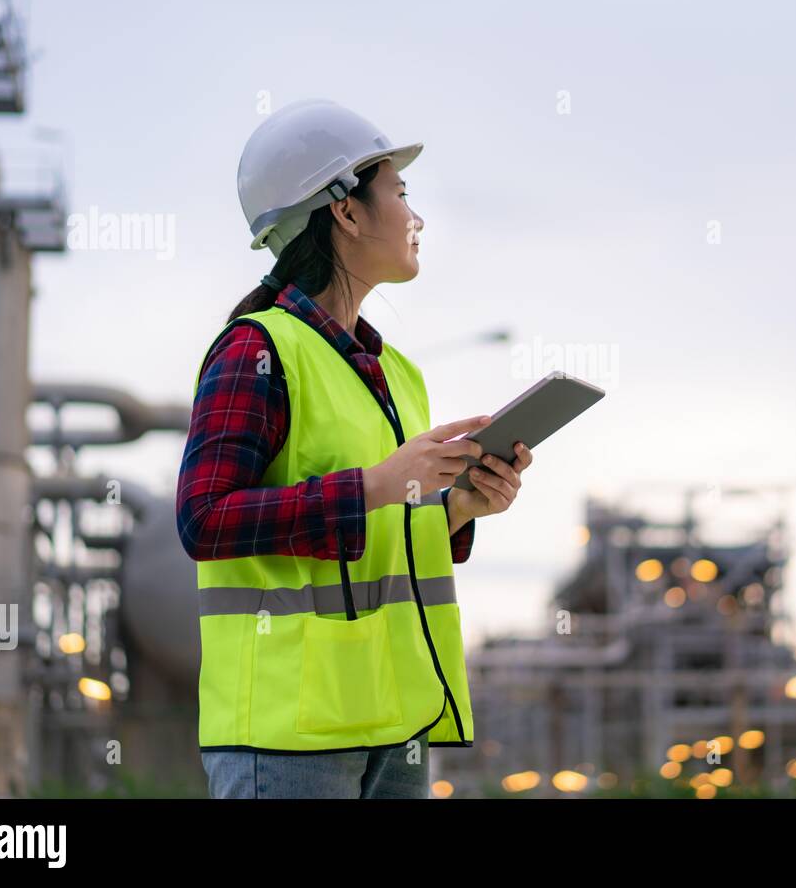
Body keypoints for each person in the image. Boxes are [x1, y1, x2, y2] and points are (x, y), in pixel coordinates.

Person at [176, 100, 531, 798]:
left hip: (395, 721)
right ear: (344, 210)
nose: (416, 216)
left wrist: (460, 507)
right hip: (286, 737)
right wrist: (377, 483)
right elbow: (204, 520)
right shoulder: (259, 349)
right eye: (400, 192)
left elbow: (382, 540)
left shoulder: (398, 374)